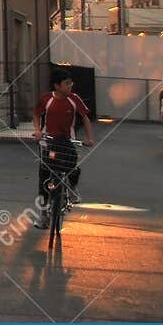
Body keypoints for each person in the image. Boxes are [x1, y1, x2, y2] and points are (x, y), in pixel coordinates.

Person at [32, 69, 95, 226]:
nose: (70, 86)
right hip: (48, 142)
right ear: (57, 86)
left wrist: (89, 138)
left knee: (73, 168)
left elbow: (85, 118)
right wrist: (38, 130)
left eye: (70, 83)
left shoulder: (74, 99)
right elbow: (36, 114)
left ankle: (72, 188)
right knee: (44, 177)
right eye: (67, 84)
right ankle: (43, 214)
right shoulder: (46, 99)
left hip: (68, 142)